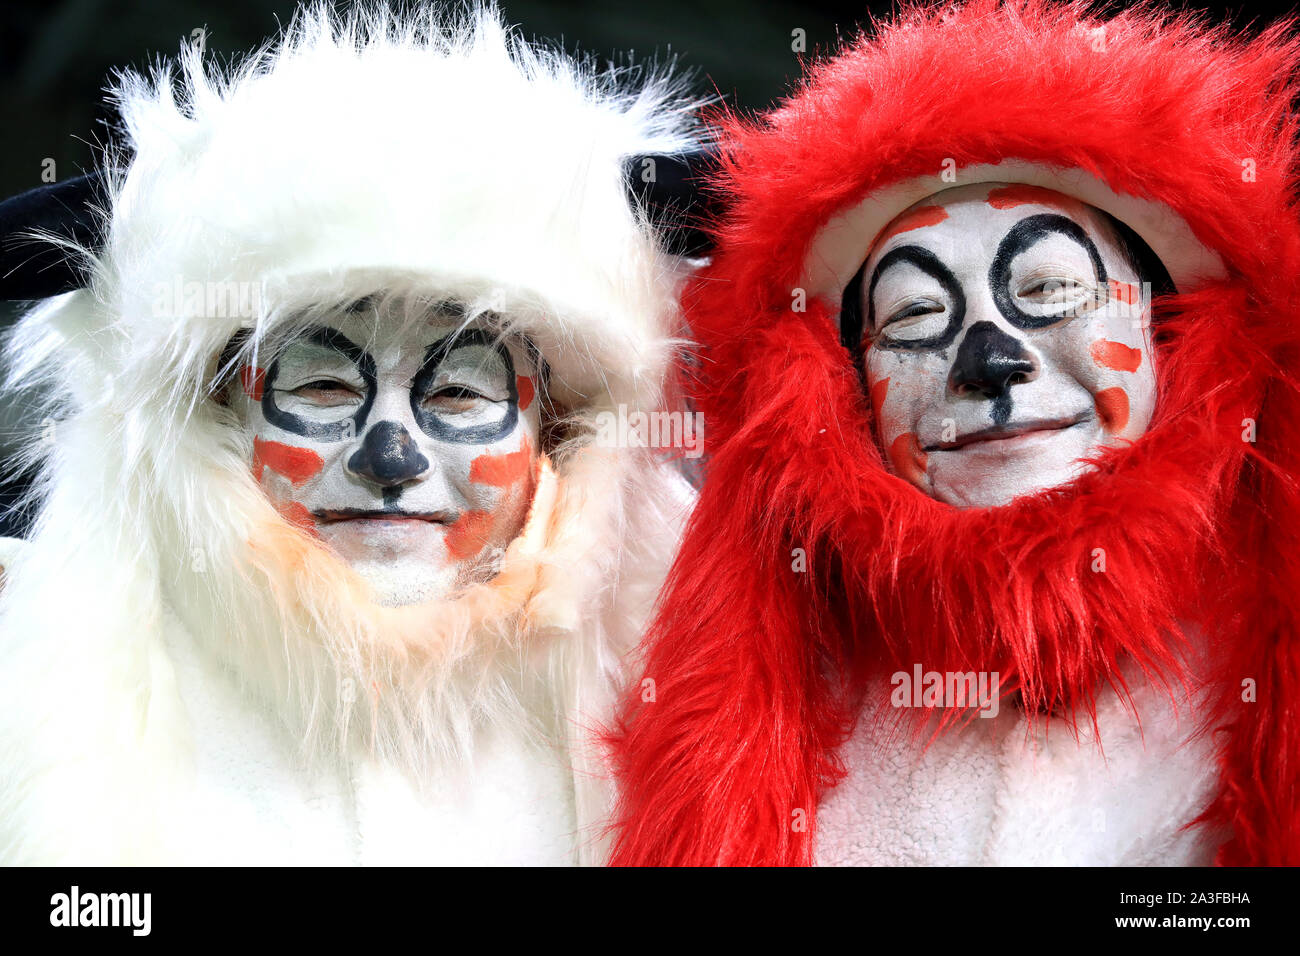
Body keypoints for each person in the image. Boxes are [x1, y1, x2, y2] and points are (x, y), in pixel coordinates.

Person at [0, 3, 699, 865]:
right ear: (226, 412)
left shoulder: (678, 674)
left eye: (460, 393)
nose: (390, 458)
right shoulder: (35, 665)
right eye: (324, 386)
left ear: (554, 426)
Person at [610, 0, 1300, 866]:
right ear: (847, 391)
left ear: (1166, 335)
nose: (989, 362)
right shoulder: (784, 653)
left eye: (1050, 292)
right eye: (916, 315)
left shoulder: (1259, 639)